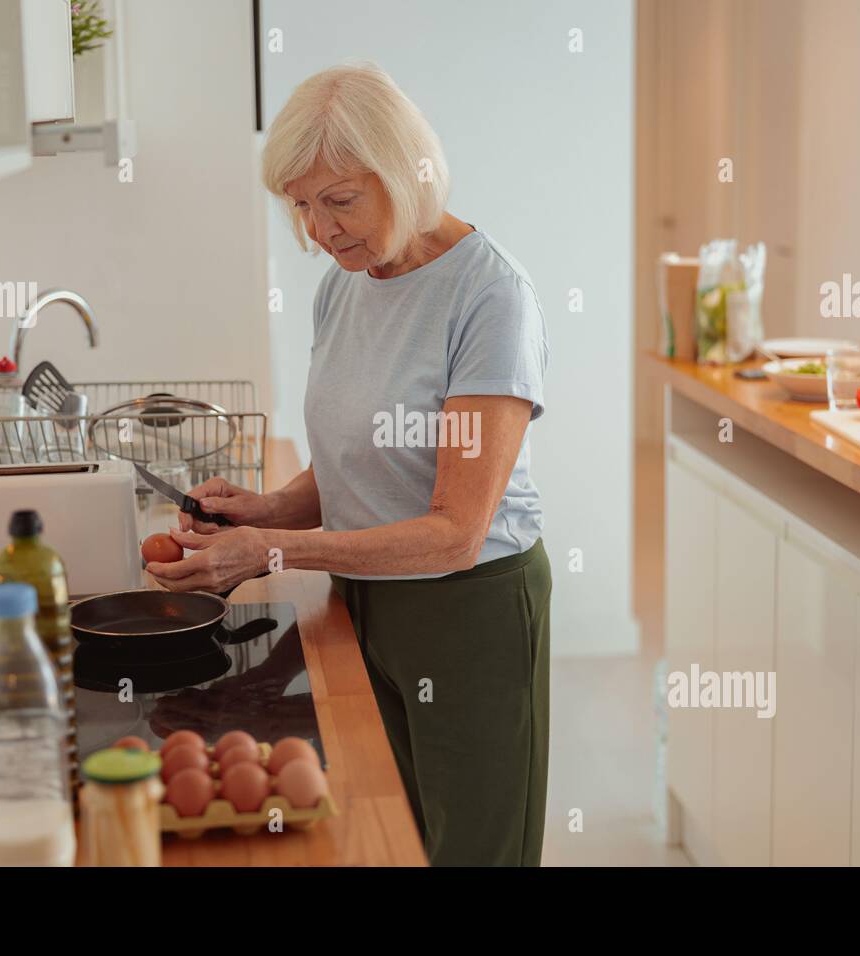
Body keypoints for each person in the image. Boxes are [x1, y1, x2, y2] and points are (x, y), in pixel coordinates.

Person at [146, 63, 551, 866]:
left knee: (474, 850)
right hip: (364, 596)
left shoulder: (488, 299)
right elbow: (362, 463)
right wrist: (262, 511)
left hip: (466, 612)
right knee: (393, 838)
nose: (321, 231)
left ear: (405, 177)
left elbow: (453, 533)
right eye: (301, 205)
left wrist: (271, 552)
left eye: (339, 200)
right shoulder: (348, 284)